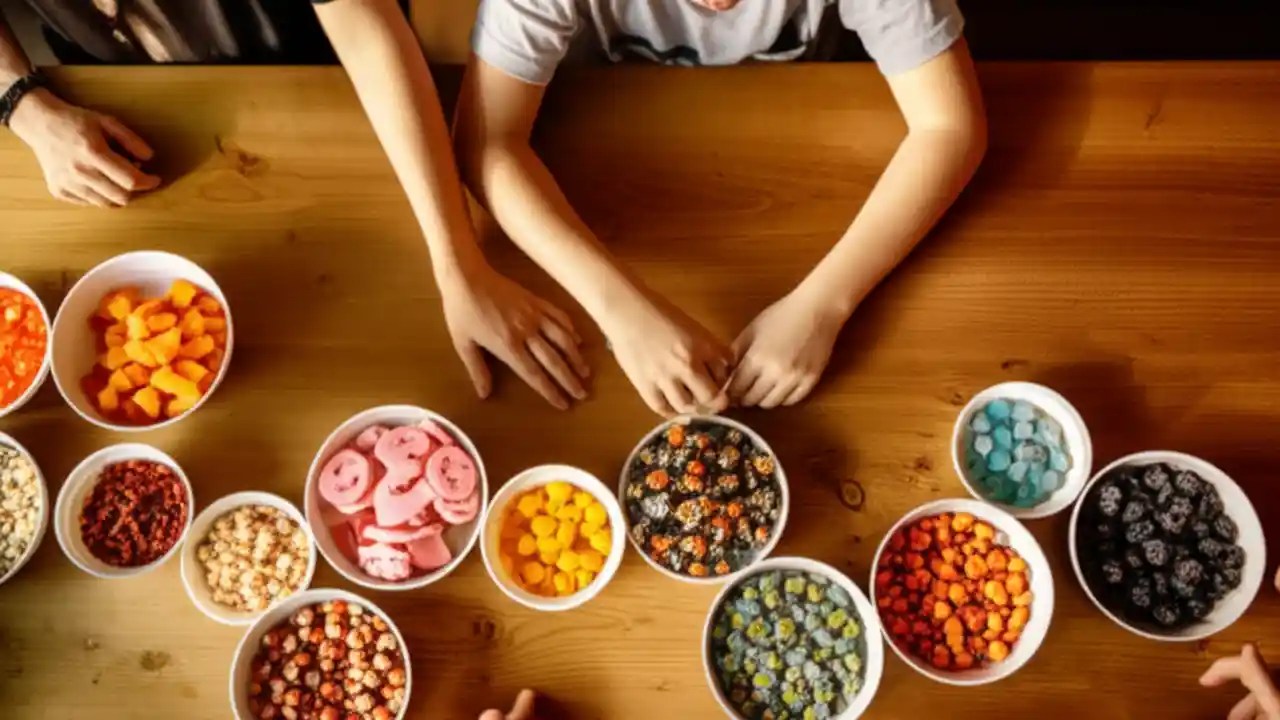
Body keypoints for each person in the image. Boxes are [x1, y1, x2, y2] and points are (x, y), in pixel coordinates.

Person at [0, 0, 589, 410]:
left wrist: (458, 262)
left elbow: (365, 27)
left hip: (321, 76)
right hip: (110, 97)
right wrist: (21, 100)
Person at [453, 0, 987, 416]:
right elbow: (485, 141)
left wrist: (825, 303)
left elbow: (951, 127)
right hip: (604, 135)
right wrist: (618, 306)